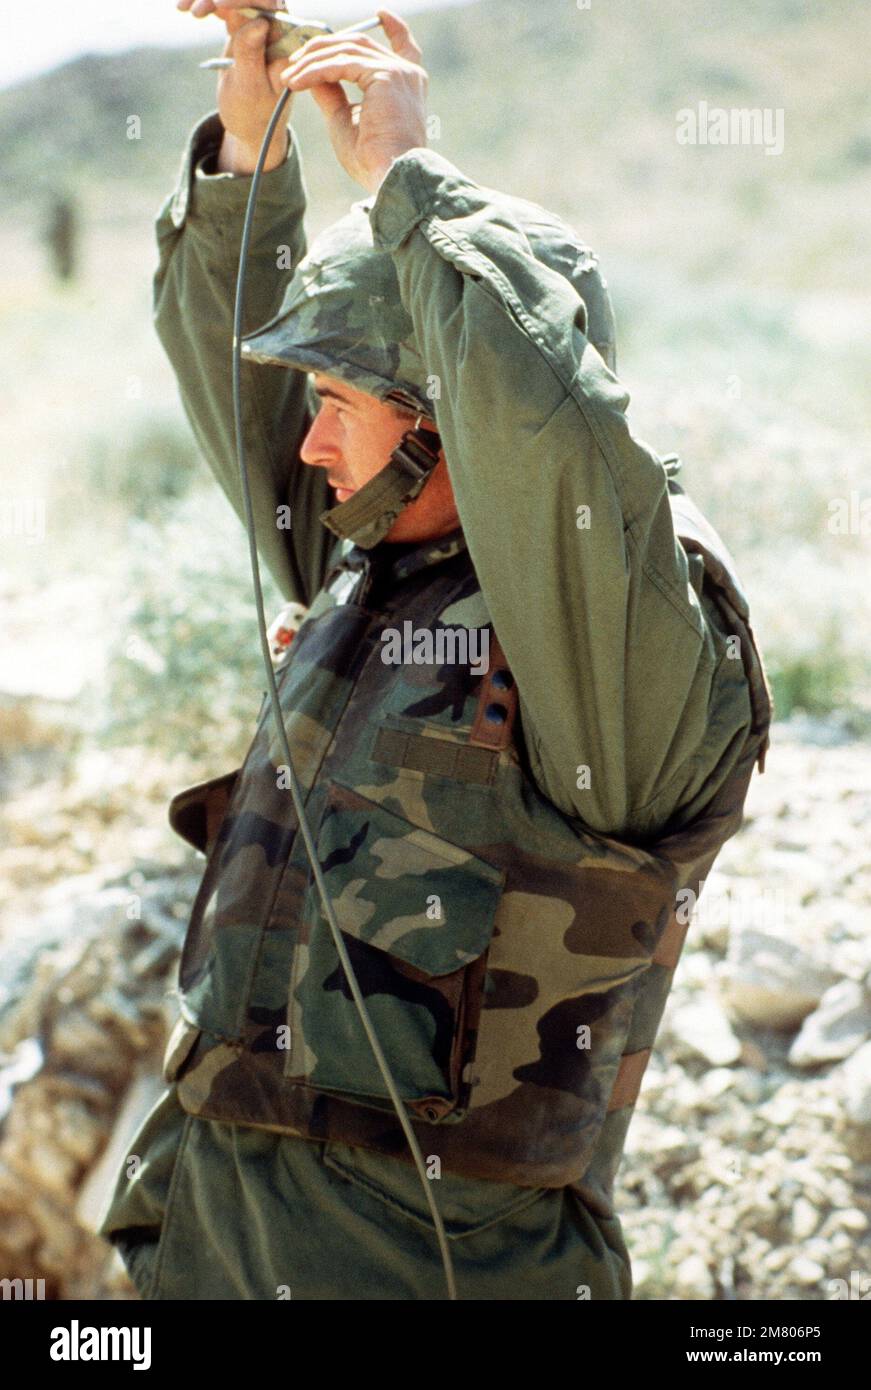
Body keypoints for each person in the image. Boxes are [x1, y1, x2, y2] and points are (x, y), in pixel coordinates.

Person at [98, 3, 771, 1300]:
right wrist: (253, 149)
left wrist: (412, 180)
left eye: (340, 404)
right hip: (212, 1243)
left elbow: (546, 429)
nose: (306, 446)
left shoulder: (603, 645)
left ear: (455, 424)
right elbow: (244, 403)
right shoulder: (375, 567)